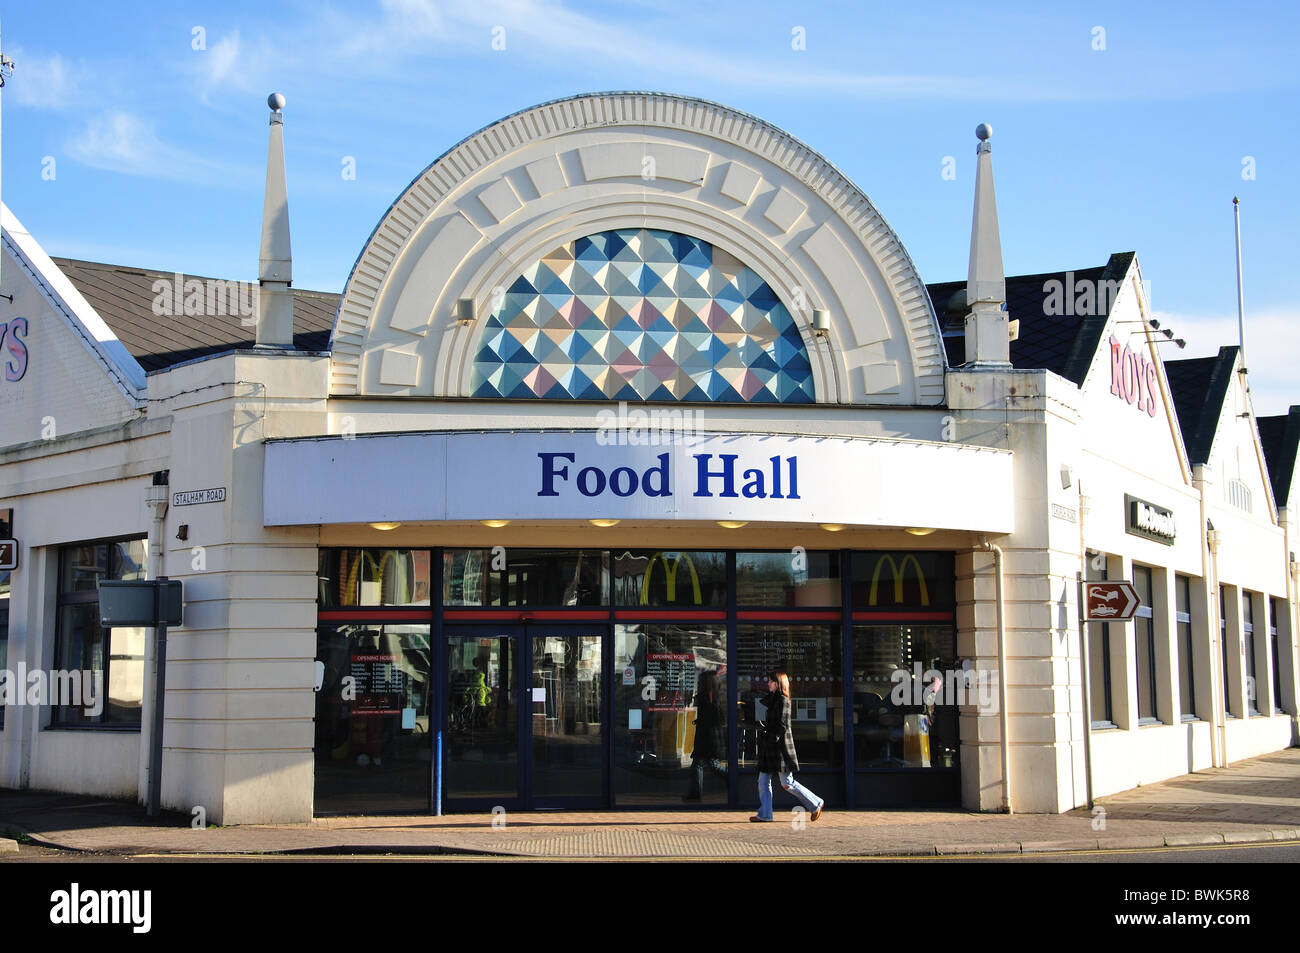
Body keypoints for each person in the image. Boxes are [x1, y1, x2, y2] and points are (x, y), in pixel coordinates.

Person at [752, 669, 825, 823]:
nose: (768, 683)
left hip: (779, 748)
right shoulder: (772, 699)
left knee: (787, 783)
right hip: (770, 746)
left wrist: (769, 736)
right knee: (763, 781)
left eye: (771, 681)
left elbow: (782, 726)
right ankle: (765, 814)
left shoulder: (783, 701)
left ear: (779, 683)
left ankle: (815, 803)